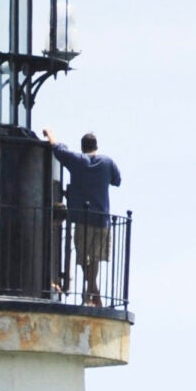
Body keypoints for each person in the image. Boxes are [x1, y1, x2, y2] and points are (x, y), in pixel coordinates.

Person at [42, 129, 122, 308]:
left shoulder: (77, 161)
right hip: (102, 218)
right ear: (96, 146)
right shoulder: (107, 162)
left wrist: (49, 134)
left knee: (83, 257)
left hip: (81, 218)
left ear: (82, 147)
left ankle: (90, 293)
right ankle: (92, 293)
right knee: (94, 258)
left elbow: (57, 148)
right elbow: (117, 180)